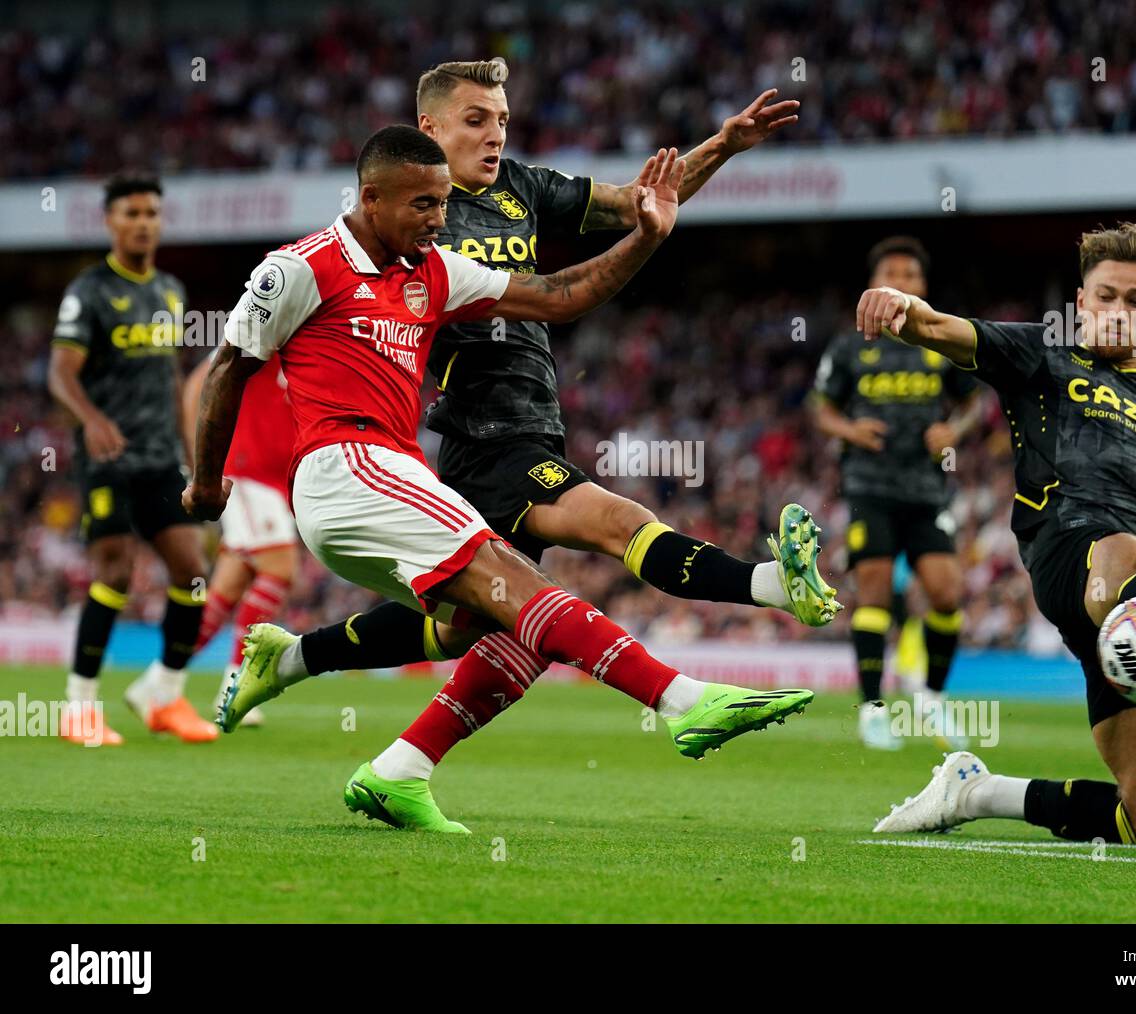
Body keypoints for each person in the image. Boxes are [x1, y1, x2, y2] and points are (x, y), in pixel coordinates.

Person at [187, 126, 813, 831]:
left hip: (392, 469)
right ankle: (683, 701)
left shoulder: (434, 271)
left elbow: (558, 295)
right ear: (371, 197)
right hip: (347, 465)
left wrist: (645, 238)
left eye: (444, 203)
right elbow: (228, 368)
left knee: (495, 625)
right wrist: (207, 486)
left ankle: (360, 730)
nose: (438, 219)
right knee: (523, 584)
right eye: (423, 205)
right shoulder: (301, 267)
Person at [281, 59, 837, 688]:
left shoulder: (522, 185)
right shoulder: (415, 221)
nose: (496, 135)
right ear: (427, 127)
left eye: (503, 121)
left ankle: (318, 684)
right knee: (615, 522)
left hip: (535, 422)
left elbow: (638, 202)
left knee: (478, 630)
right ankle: (768, 584)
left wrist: (724, 146)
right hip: (483, 435)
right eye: (476, 120)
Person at [865, 222, 1136, 845]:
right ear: (1080, 303)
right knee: (1130, 550)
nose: (1119, 312)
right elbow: (940, 330)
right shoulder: (1042, 358)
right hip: (1075, 555)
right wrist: (902, 308)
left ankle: (974, 791)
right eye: (1106, 296)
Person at [48, 172, 217, 746]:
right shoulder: (88, 291)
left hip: (159, 458)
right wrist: (92, 420)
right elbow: (60, 373)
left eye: (151, 213)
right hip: (108, 459)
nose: (143, 222)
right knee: (116, 572)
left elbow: (170, 377)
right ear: (110, 222)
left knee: (194, 574)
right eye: (131, 213)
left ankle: (162, 696)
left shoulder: (169, 290)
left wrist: (192, 454)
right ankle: (78, 708)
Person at [810, 236, 981, 750]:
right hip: (870, 486)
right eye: (891, 274)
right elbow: (820, 407)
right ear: (873, 284)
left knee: (948, 593)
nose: (900, 283)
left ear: (923, 286)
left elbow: (973, 403)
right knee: (875, 594)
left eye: (910, 275)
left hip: (928, 488)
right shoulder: (848, 346)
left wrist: (954, 431)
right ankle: (872, 709)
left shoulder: (941, 341)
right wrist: (849, 431)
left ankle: (930, 697)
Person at [182, 350, 298, 727]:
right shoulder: (268, 318)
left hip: (273, 484)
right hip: (246, 475)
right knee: (280, 569)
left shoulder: (305, 334)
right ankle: (234, 683)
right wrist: (203, 467)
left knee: (227, 589)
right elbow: (201, 382)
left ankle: (160, 681)